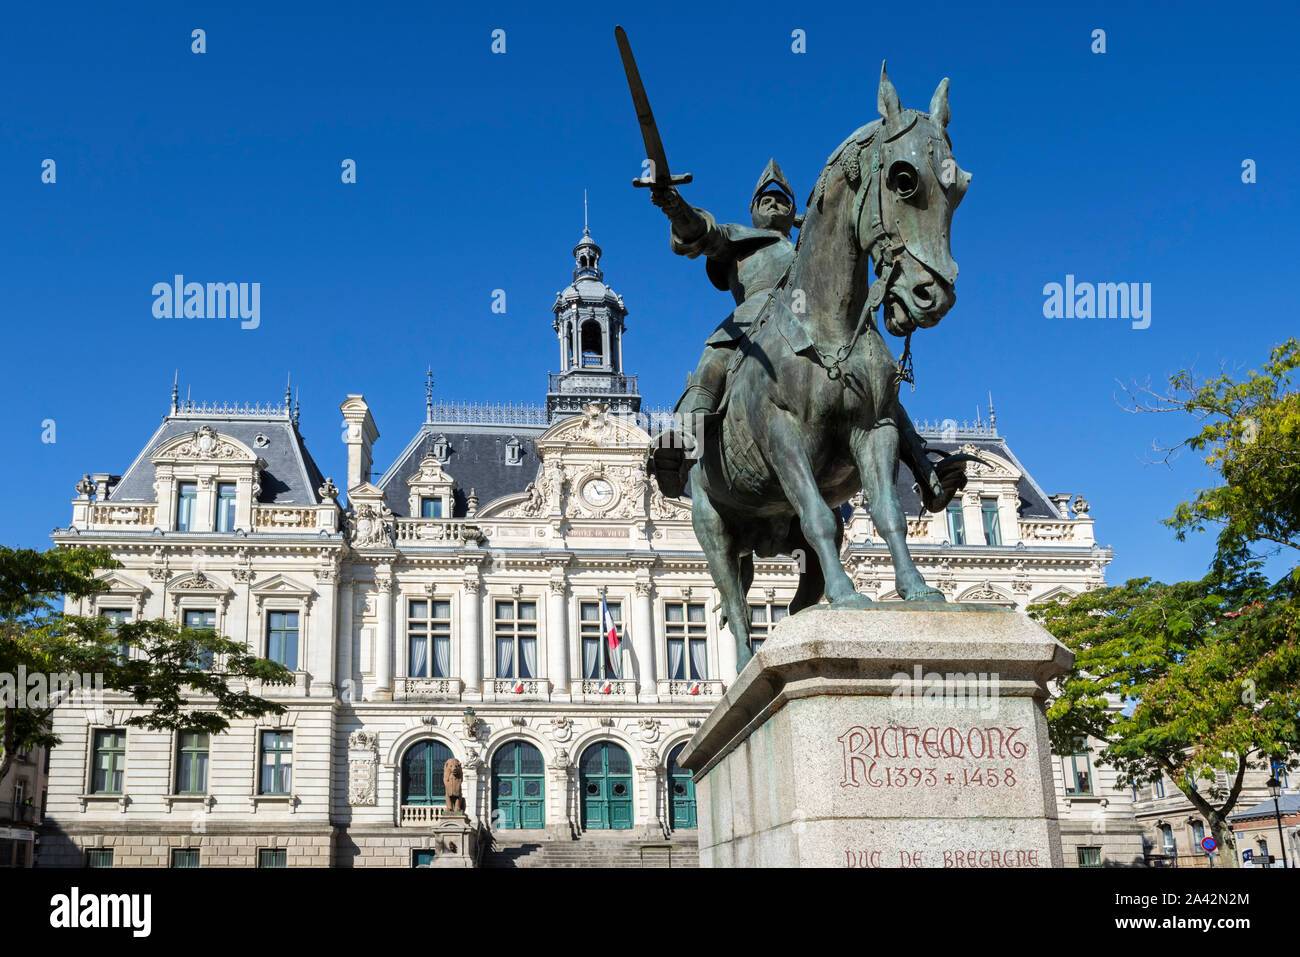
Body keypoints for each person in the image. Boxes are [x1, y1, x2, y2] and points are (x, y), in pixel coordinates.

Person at [648, 158, 800, 496]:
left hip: (809, 321)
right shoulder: (741, 239)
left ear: (793, 210)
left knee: (869, 364)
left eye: (781, 200)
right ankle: (685, 445)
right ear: (753, 210)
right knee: (711, 366)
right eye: (765, 200)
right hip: (751, 320)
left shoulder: (812, 244)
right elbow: (701, 234)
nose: (773, 203)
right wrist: (676, 208)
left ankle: (920, 459)